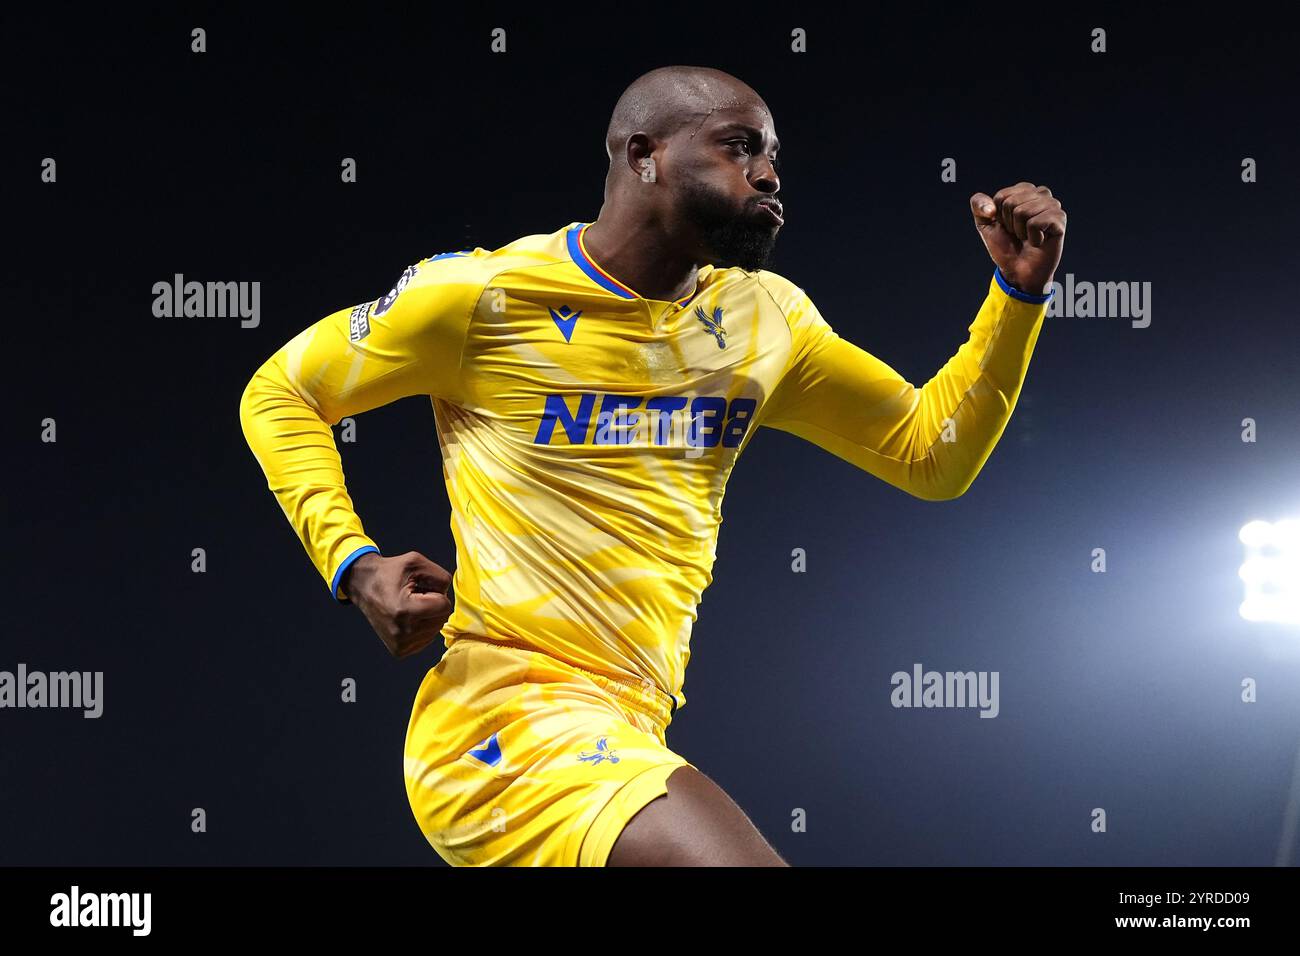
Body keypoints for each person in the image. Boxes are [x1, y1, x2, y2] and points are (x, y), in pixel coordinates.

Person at [238, 64, 1066, 866]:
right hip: (504, 723)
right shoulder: (481, 298)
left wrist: (1016, 298)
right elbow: (280, 392)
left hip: (631, 722)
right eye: (740, 147)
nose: (770, 175)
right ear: (645, 156)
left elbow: (930, 455)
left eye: (773, 154)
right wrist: (353, 563)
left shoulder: (763, 319)